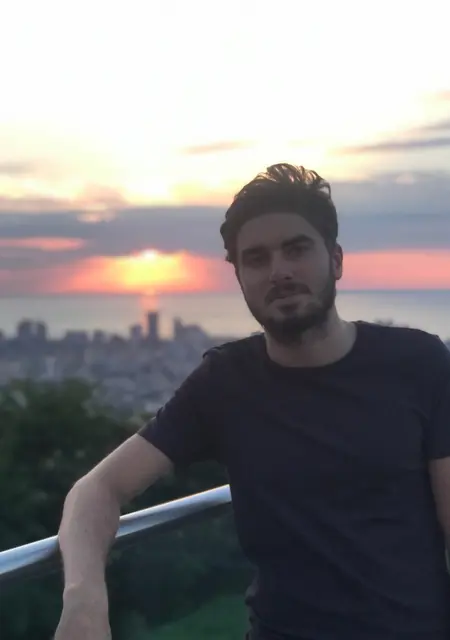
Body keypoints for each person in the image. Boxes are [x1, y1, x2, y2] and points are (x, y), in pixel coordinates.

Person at [54, 163, 450, 640]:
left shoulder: (418, 363)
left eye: (297, 249)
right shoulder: (225, 383)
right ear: (241, 279)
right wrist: (84, 601)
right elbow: (97, 489)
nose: (279, 271)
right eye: (257, 259)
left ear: (336, 260)